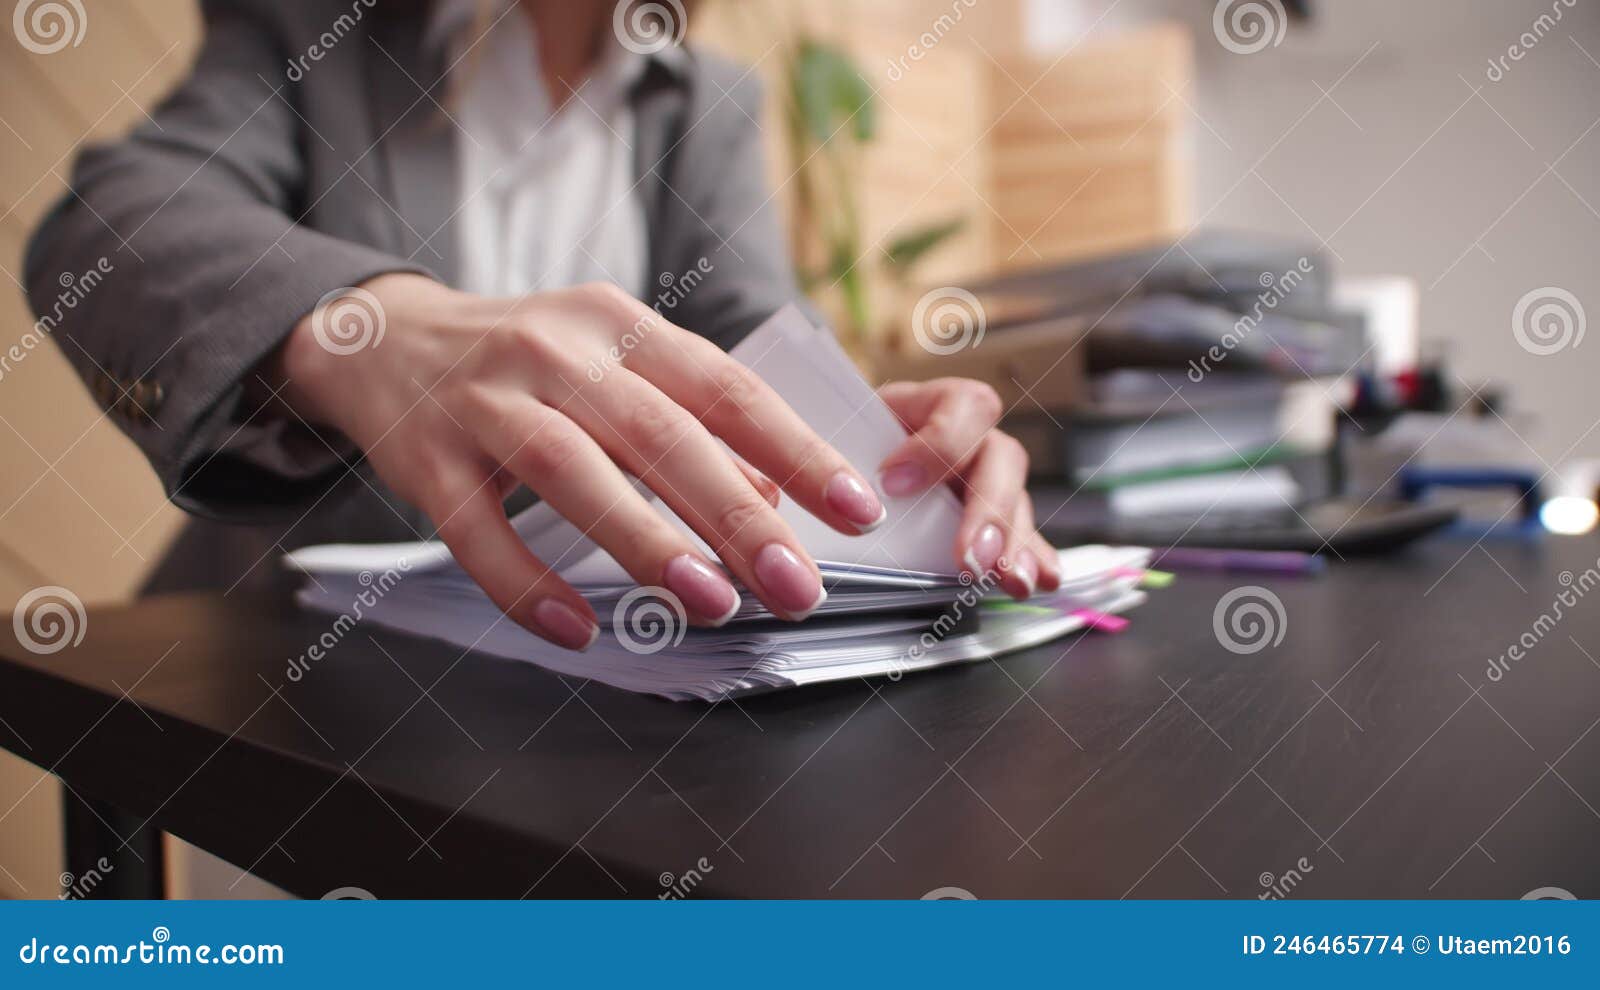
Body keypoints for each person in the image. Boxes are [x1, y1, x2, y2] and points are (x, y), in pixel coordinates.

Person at [25, 0, 1059, 651]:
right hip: (301, 666)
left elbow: (745, 352)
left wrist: (871, 453)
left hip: (617, 668)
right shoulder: (312, 28)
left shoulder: (709, 99)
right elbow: (111, 224)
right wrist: (370, 321)